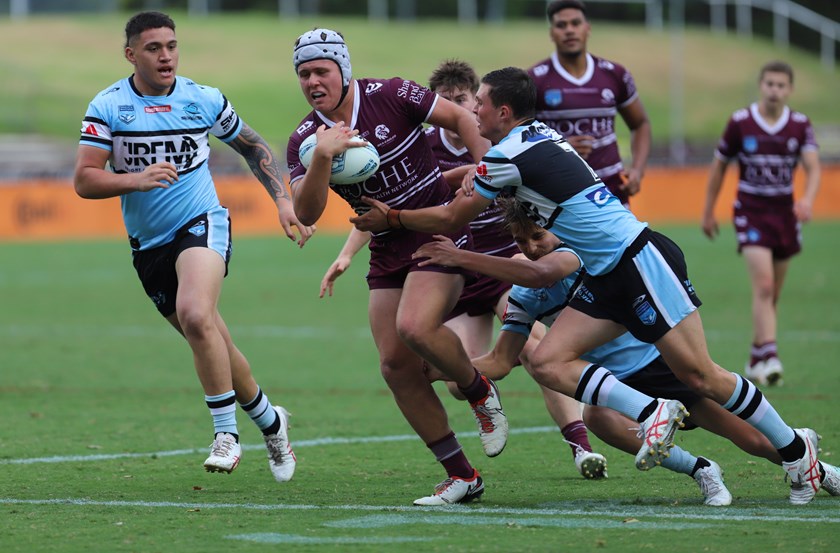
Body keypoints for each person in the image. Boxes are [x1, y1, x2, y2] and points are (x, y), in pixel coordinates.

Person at [352, 66, 826, 505]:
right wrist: (441, 370)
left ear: (504, 112)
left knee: (702, 376)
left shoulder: (506, 155)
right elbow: (476, 188)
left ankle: (795, 452)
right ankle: (658, 415)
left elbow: (454, 217)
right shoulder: (532, 138)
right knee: (547, 361)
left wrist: (393, 217)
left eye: (480, 102)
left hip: (637, 258)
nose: (473, 110)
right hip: (607, 272)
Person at [414, 198, 840, 505]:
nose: (531, 246)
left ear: (556, 228)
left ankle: (819, 469)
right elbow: (501, 361)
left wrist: (463, 258)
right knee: (597, 418)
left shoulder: (580, 253)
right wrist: (443, 369)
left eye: (538, 235)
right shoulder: (526, 295)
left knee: (753, 441)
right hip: (620, 386)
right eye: (520, 240)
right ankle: (702, 470)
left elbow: (544, 270)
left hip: (662, 364)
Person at [319, 59, 606, 480]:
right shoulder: (422, 144)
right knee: (457, 380)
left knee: (535, 350)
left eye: (462, 99)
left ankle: (581, 445)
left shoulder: (496, 141)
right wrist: (346, 254)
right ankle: (494, 379)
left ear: (476, 102)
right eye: (446, 100)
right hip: (453, 267)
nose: (455, 107)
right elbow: (384, 207)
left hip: (502, 265)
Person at [74, 11, 310, 480]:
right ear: (131, 55)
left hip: (203, 223)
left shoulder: (202, 99)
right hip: (148, 246)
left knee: (196, 315)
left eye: (172, 46)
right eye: (153, 48)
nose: (166, 56)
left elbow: (252, 145)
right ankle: (272, 422)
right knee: (212, 339)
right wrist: (136, 179)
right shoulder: (108, 106)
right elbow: (84, 179)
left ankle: (226, 435)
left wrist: (284, 201)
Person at [287, 29, 508, 506]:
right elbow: (306, 211)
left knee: (414, 327)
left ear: (343, 70)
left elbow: (462, 117)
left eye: (322, 70)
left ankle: (478, 391)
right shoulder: (305, 141)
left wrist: (489, 172)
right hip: (388, 249)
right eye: (304, 74)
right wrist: (323, 155)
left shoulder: (389, 93)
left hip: (436, 235)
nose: (312, 81)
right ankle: (462, 476)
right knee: (395, 366)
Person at [702, 60, 821, 387]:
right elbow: (719, 167)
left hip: (785, 215)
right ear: (761, 85)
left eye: (781, 85)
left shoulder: (799, 124)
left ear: (790, 89)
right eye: (769, 84)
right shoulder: (740, 122)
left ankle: (756, 356)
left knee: (773, 294)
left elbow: (813, 167)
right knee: (765, 286)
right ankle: (770, 355)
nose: (774, 91)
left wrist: (807, 199)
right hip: (751, 211)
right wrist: (708, 210)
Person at [528, 0, 651, 207]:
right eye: (561, 25)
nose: (569, 30)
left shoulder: (615, 74)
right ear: (551, 33)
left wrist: (637, 170)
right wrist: (557, 148)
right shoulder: (535, 80)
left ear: (588, 28)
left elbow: (640, 124)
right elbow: (514, 139)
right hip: (559, 199)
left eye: (576, 23)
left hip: (612, 194)